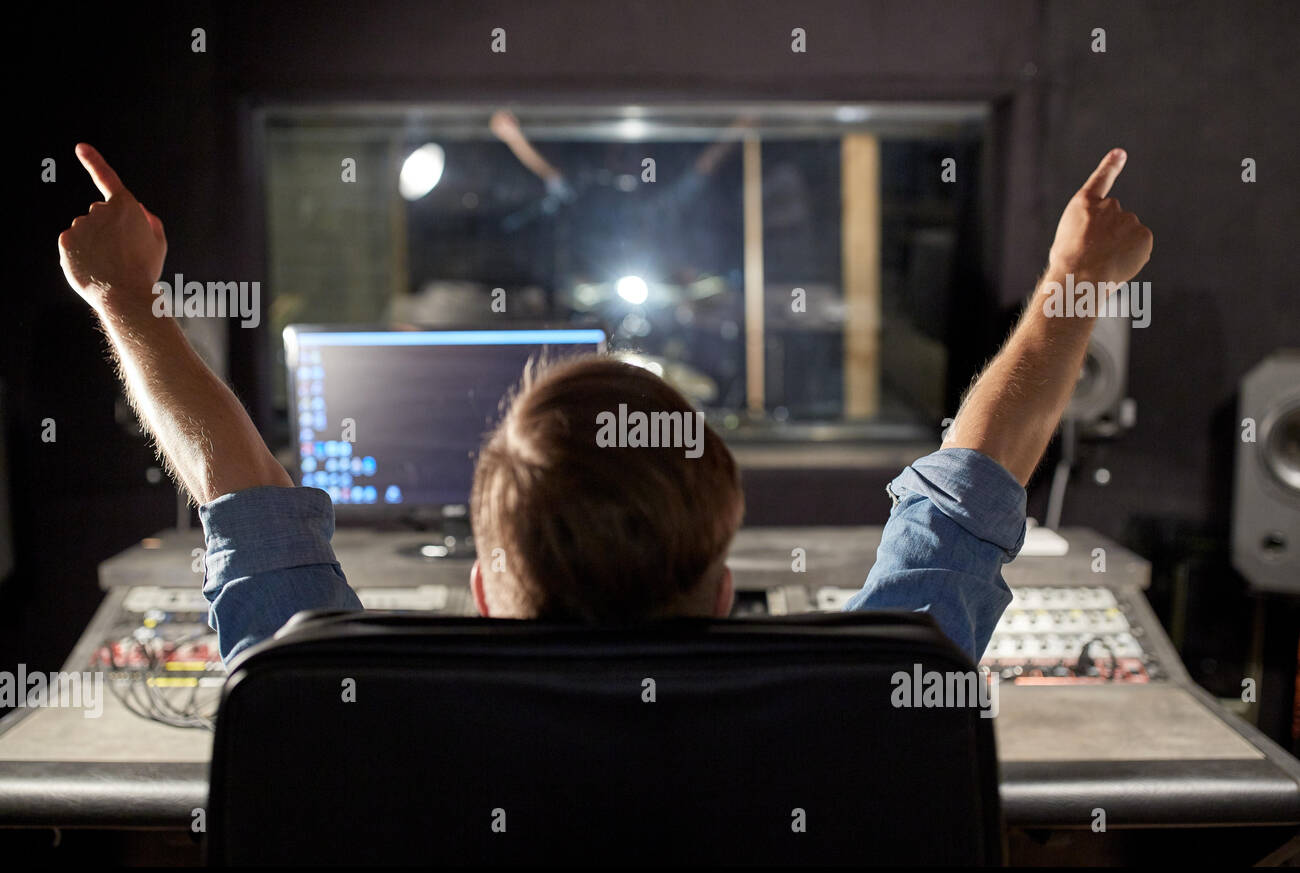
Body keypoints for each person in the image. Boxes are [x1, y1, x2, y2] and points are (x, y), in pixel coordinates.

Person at [57, 143, 1152, 667]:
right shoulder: (874, 688)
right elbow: (963, 507)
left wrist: (125, 303)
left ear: (485, 589)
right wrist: (1073, 289)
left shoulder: (323, 694)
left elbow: (242, 505)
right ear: (726, 591)